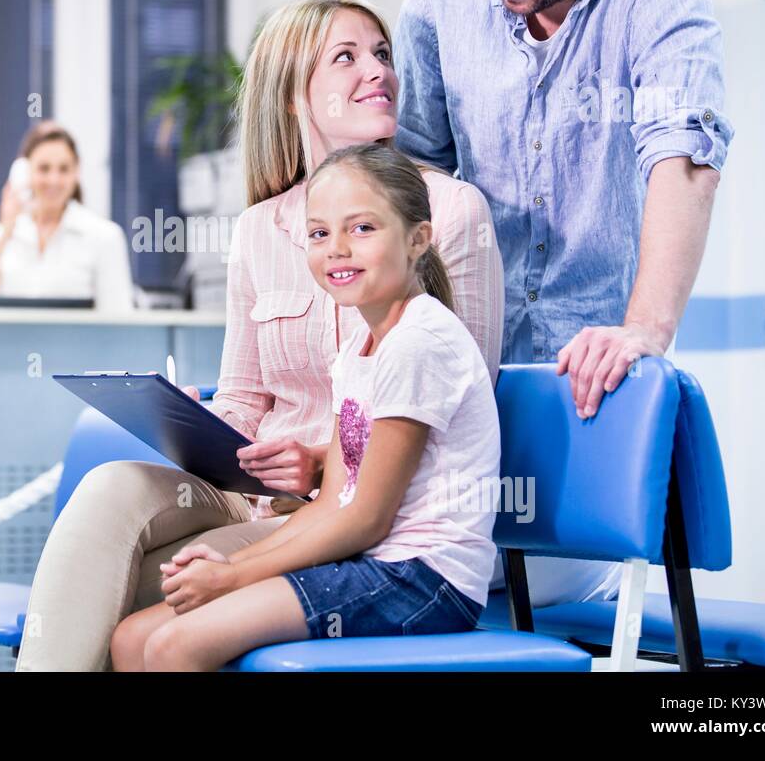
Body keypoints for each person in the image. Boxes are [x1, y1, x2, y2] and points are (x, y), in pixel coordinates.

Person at [15, 0, 505, 671]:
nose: (380, 72)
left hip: (356, 519)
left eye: (383, 54)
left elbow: (431, 420)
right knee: (109, 494)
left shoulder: (449, 214)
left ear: (411, 237)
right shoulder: (258, 230)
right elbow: (244, 401)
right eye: (347, 56)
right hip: (264, 497)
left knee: (141, 601)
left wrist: (310, 467)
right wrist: (195, 426)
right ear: (294, 97)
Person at [395, 0, 733, 601]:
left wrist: (644, 330)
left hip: (584, 383)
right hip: (467, 365)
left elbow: (682, 157)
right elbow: (412, 168)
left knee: (545, 599)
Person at [111, 143, 498, 671]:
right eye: (319, 233)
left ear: (418, 239)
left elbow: (365, 519)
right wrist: (231, 563)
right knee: (135, 638)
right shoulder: (358, 349)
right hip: (369, 561)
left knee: (175, 645)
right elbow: (332, 500)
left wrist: (233, 576)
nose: (337, 248)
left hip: (423, 578)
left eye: (362, 228)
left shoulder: (419, 343)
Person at [0, 121, 134, 311]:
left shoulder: (103, 237)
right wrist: (6, 231)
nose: (54, 180)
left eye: (64, 169)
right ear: (25, 172)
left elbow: (119, 319)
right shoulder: (0, 236)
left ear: (76, 173)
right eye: (44, 168)